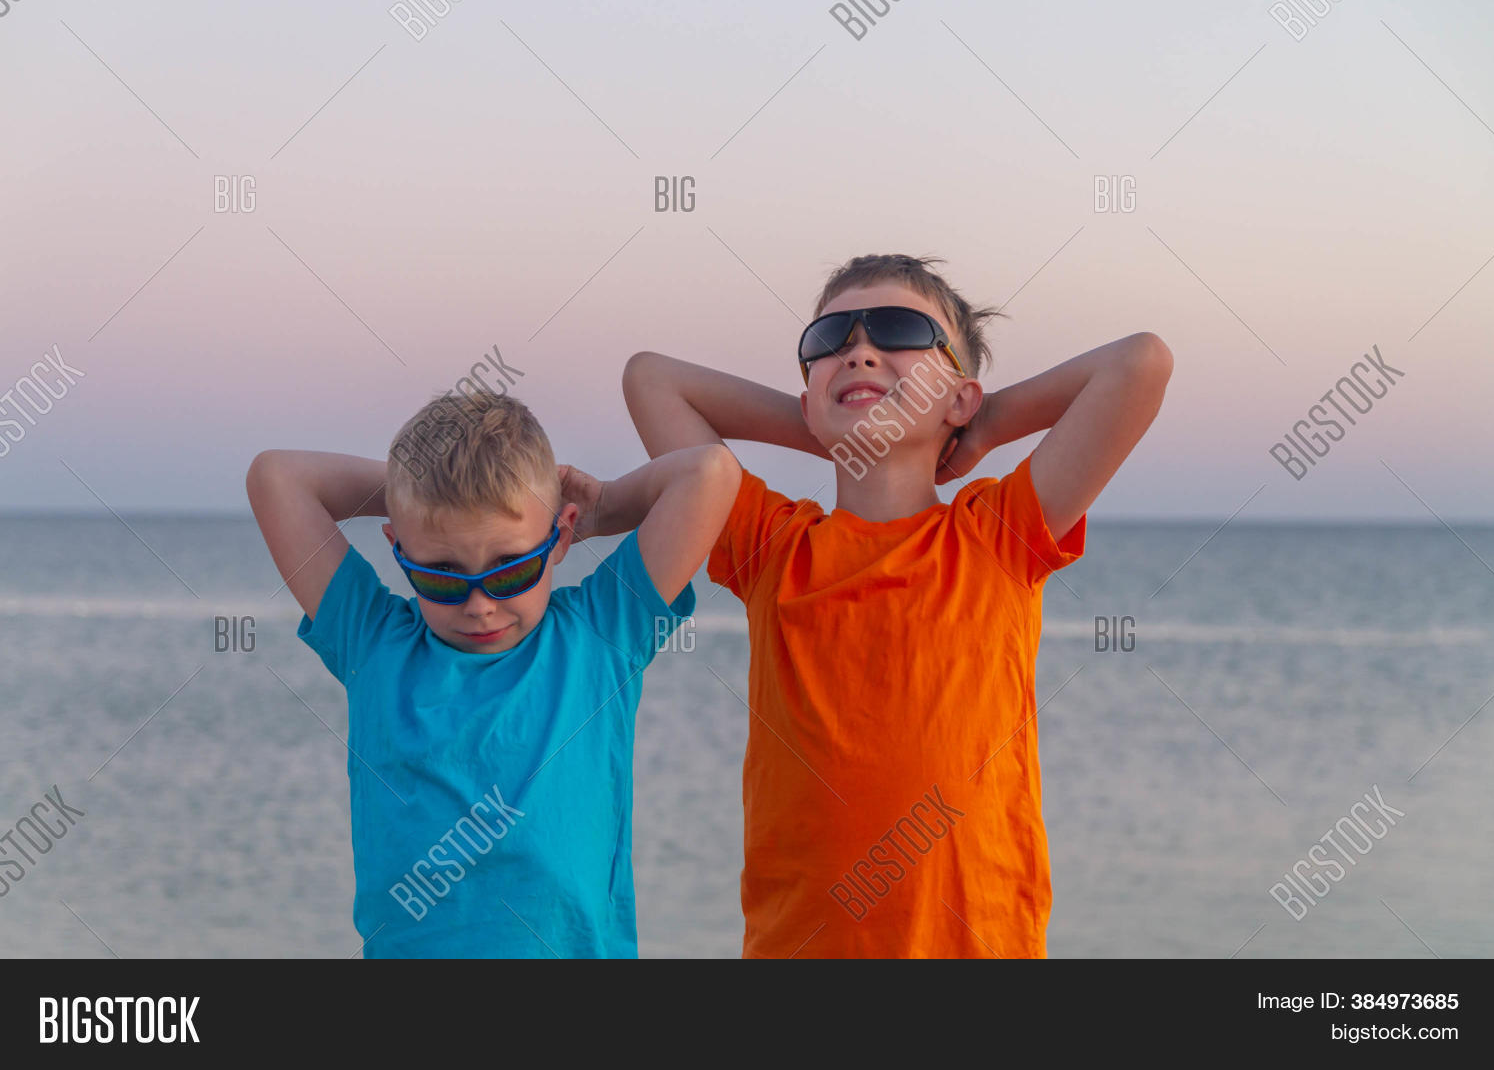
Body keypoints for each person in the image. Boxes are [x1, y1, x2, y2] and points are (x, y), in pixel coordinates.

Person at [623, 254, 1173, 957]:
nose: (858, 349)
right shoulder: (772, 550)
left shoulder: (996, 534)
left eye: (896, 329)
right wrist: (836, 424)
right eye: (829, 341)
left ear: (963, 395)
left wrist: (977, 428)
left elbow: (1140, 365)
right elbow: (652, 379)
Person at [246, 389, 739, 957]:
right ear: (397, 548)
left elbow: (711, 472)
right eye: (441, 575)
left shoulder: (602, 632)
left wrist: (602, 503)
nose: (479, 604)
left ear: (561, 535)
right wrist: (417, 487)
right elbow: (275, 478)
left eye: (510, 570)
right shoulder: (375, 642)